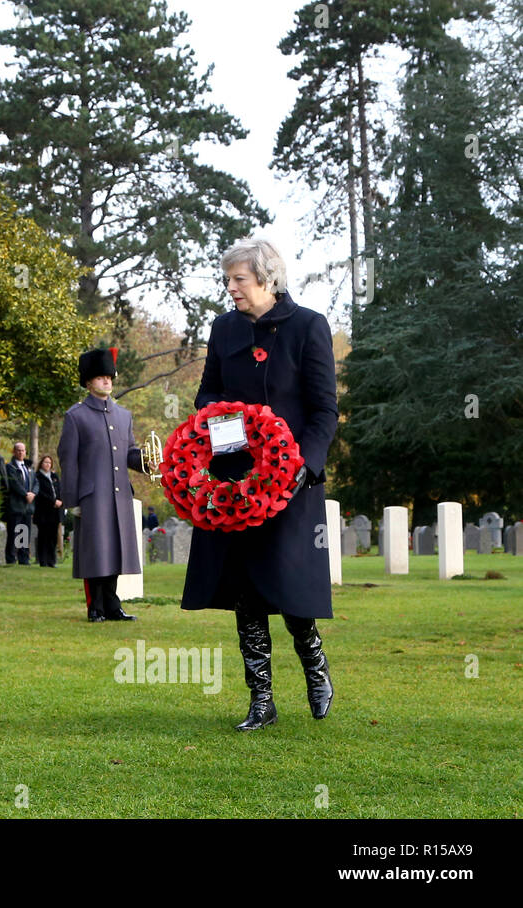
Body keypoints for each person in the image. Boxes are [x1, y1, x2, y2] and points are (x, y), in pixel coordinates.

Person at [181, 236, 338, 730]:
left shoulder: (310, 327)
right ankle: (261, 700)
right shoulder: (224, 328)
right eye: (228, 279)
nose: (231, 288)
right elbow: (209, 394)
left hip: (291, 484)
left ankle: (314, 665)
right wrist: (223, 428)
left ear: (267, 279)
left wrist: (303, 466)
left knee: (287, 587)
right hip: (235, 482)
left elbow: (323, 411)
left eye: (239, 280)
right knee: (246, 591)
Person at [57, 348, 145, 623]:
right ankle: (95, 606)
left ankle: (112, 604)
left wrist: (146, 460)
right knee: (97, 551)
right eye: (100, 377)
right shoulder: (76, 416)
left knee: (116, 550)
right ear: (88, 383)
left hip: (119, 494)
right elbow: (68, 461)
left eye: (109, 376)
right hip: (92, 496)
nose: (107, 381)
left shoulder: (124, 415)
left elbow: (129, 452)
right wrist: (72, 501)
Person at [3, 442, 37, 564]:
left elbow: (35, 482)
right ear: (14, 452)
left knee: (24, 532)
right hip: (16, 505)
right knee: (14, 532)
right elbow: (14, 483)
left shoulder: (29, 468)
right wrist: (25, 494)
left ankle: (23, 558)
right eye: (18, 450)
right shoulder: (10, 467)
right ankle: (11, 558)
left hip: (27, 507)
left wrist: (33, 493)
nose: (21, 453)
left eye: (23, 450)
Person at [32, 454, 63, 567]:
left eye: (49, 463)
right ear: (41, 463)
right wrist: (52, 501)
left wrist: (60, 501)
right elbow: (40, 493)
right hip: (43, 511)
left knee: (53, 537)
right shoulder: (37, 476)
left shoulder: (54, 476)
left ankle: (52, 561)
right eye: (45, 462)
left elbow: (60, 490)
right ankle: (42, 560)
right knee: (43, 536)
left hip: (55, 512)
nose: (47, 464)